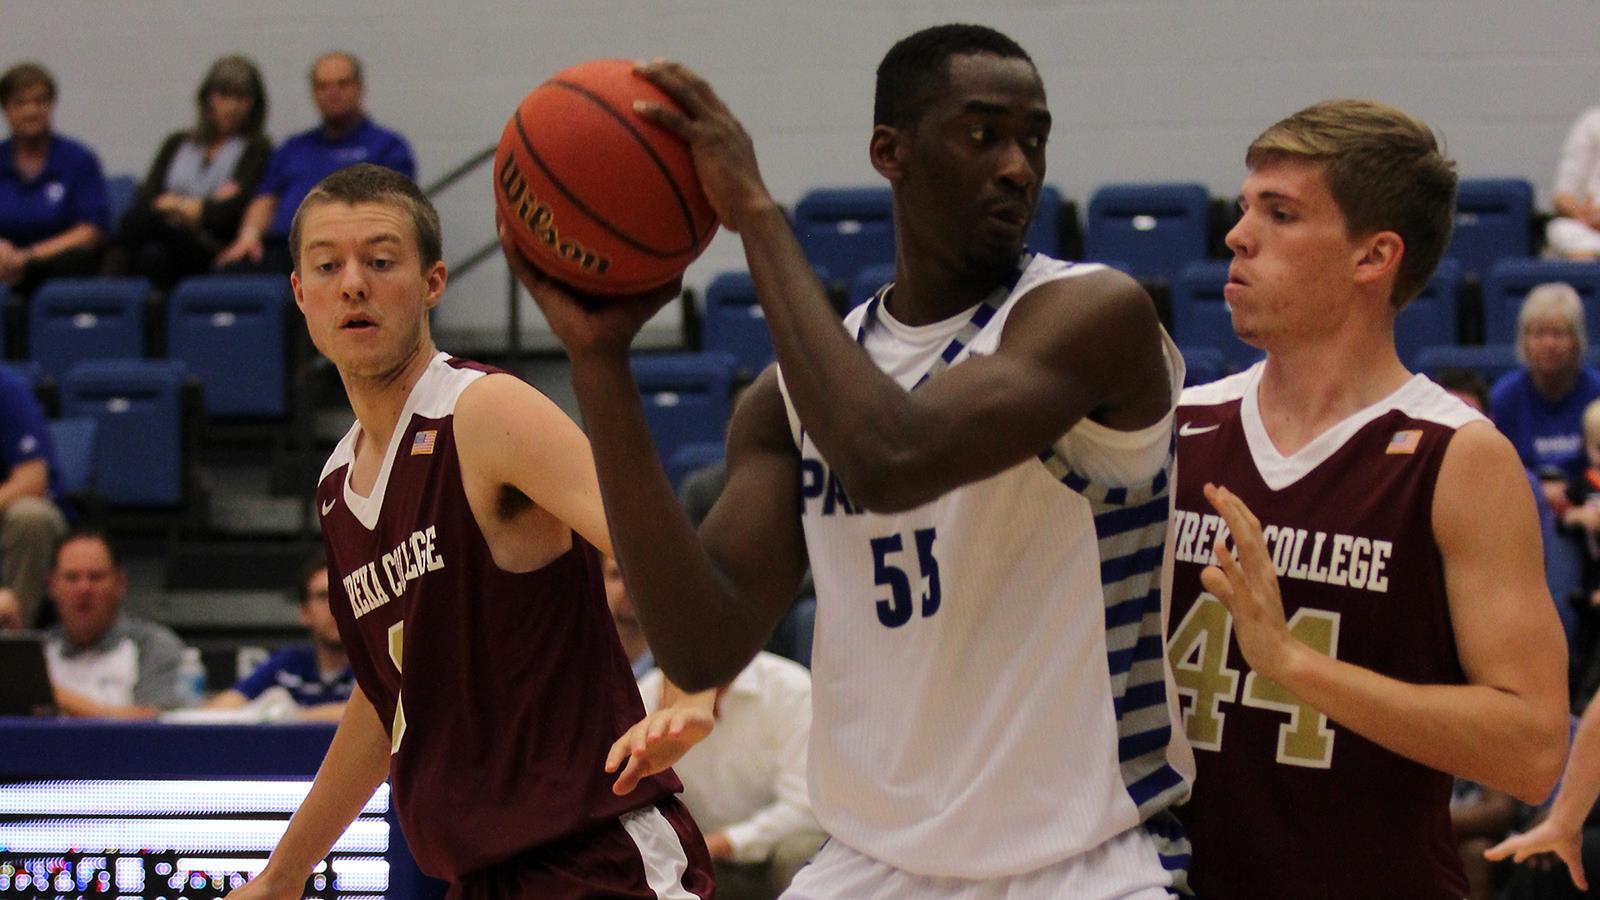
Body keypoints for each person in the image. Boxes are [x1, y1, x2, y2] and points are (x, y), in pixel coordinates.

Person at [509, 24, 1194, 898]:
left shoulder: (1091, 316)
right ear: (890, 151)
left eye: (1033, 139)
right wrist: (599, 363)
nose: (1018, 165)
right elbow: (699, 640)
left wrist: (754, 211)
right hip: (870, 865)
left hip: (1084, 864)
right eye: (983, 134)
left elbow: (888, 457)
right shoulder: (790, 396)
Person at [225, 163, 713, 900]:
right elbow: (388, 695)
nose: (353, 283)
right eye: (328, 266)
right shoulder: (336, 485)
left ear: (432, 283)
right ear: (301, 294)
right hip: (479, 877)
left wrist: (686, 694)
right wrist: (284, 873)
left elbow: (666, 551)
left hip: (593, 860)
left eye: (381, 261)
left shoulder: (483, 413)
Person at [1166, 99, 1569, 899]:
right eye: (1246, 207)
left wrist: (1290, 664)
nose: (1238, 235)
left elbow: (1529, 750)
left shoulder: (1456, 456)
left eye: (1280, 214)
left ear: (1373, 256)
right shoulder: (1180, 427)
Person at [637, 652, 826, 900]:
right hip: (690, 855)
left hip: (769, 853)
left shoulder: (791, 689)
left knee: (800, 850)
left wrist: (723, 843)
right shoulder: (646, 695)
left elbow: (807, 807)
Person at [214, 52, 413, 275]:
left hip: (348, 254)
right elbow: (265, 198)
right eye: (323, 86)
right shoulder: (292, 148)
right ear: (314, 93)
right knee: (225, 274)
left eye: (342, 83)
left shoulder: (387, 147)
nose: (333, 92)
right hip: (284, 251)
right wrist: (249, 235)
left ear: (360, 88)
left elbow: (395, 211)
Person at [103, 55, 272, 289]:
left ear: (254, 104)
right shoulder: (177, 143)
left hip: (211, 244)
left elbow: (228, 213)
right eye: (224, 96)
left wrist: (176, 205)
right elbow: (146, 199)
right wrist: (198, 208)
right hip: (164, 237)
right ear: (208, 99)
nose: (232, 107)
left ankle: (109, 284)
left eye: (241, 97)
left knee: (139, 229)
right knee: (151, 252)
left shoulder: (256, 149)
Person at [43, 530, 190, 719]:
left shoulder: (153, 645)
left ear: (120, 583)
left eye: (96, 577)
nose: (84, 588)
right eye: (72, 577)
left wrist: (57, 697)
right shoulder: (36, 652)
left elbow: (155, 724)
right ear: (52, 585)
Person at [202, 551, 352, 721]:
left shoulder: (375, 666)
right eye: (323, 597)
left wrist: (292, 716)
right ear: (304, 613)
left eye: (344, 595)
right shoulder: (289, 663)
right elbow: (227, 704)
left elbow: (378, 714)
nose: (335, 607)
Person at [1491, 282, 1600, 514]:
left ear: (1577, 340)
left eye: (1558, 333)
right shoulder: (1505, 397)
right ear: (1524, 341)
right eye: (1539, 334)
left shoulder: (1596, 393)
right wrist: (1538, 491)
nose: (1548, 344)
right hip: (1522, 509)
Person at [0, 61, 107, 295]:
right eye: (20, 103)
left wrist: (29, 256)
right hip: (3, 267)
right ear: (6, 109)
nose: (31, 111)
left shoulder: (78, 160)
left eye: (39, 101)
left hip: (56, 268)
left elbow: (90, 231)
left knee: (75, 261)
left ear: (51, 106)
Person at [0, 364, 67, 630]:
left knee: (31, 516)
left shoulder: (6, 389)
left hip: (9, 519)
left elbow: (32, 480)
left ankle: (10, 643)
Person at [1547, 105, 1600, 259]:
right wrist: (1583, 214)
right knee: (1559, 229)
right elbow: (1562, 198)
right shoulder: (1593, 122)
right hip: (1589, 232)